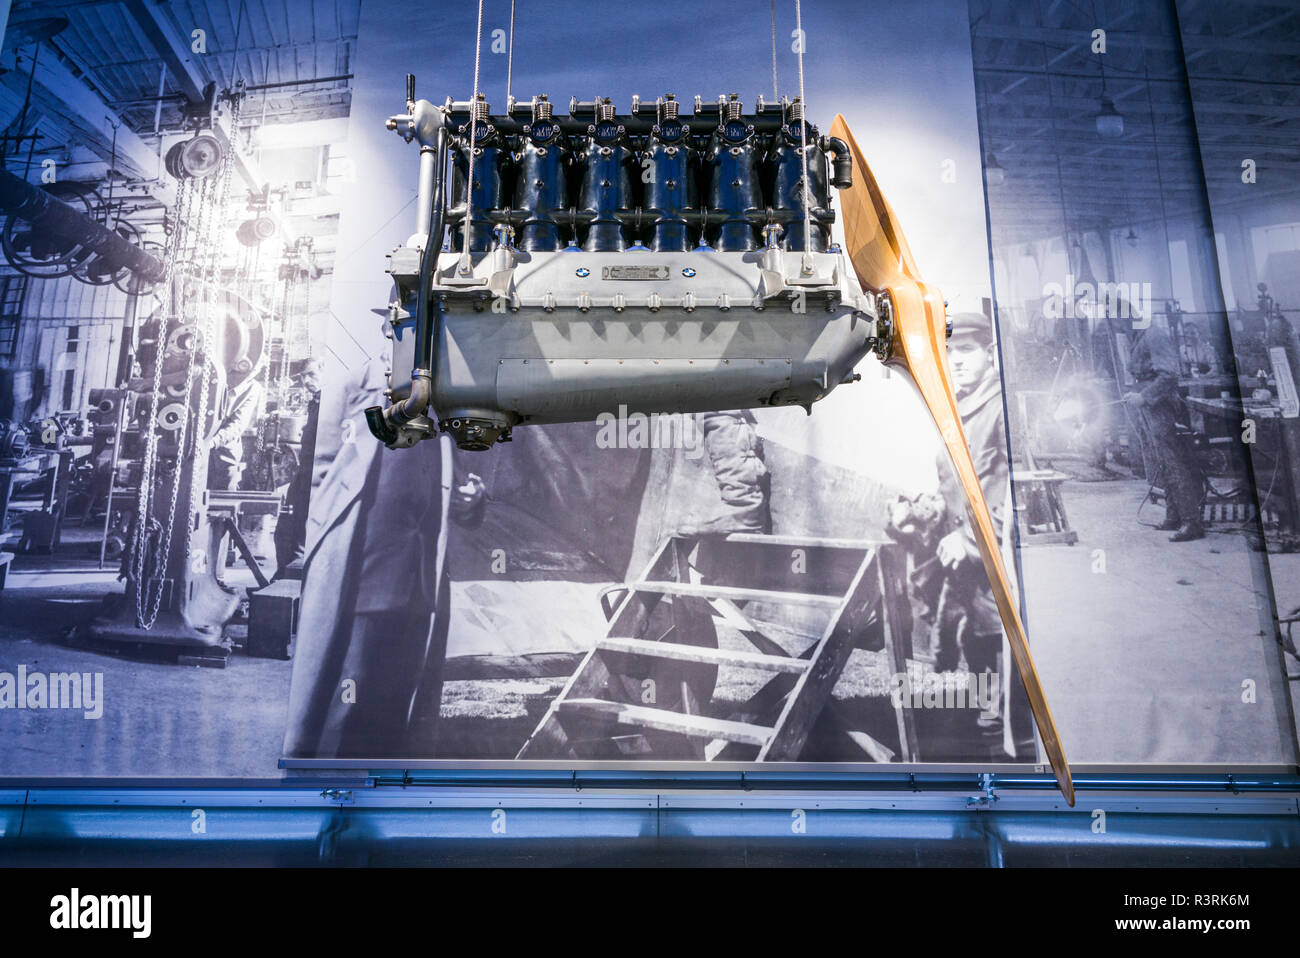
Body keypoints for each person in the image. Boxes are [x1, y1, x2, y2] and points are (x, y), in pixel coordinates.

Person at [1118, 315, 1205, 542]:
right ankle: (1174, 516)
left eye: (1118, 320)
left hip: (1160, 405)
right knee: (1161, 461)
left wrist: (1144, 397)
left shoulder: (1154, 335)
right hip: (1149, 405)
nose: (1118, 325)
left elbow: (1169, 375)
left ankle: (1191, 522)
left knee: (1172, 461)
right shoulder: (1139, 336)